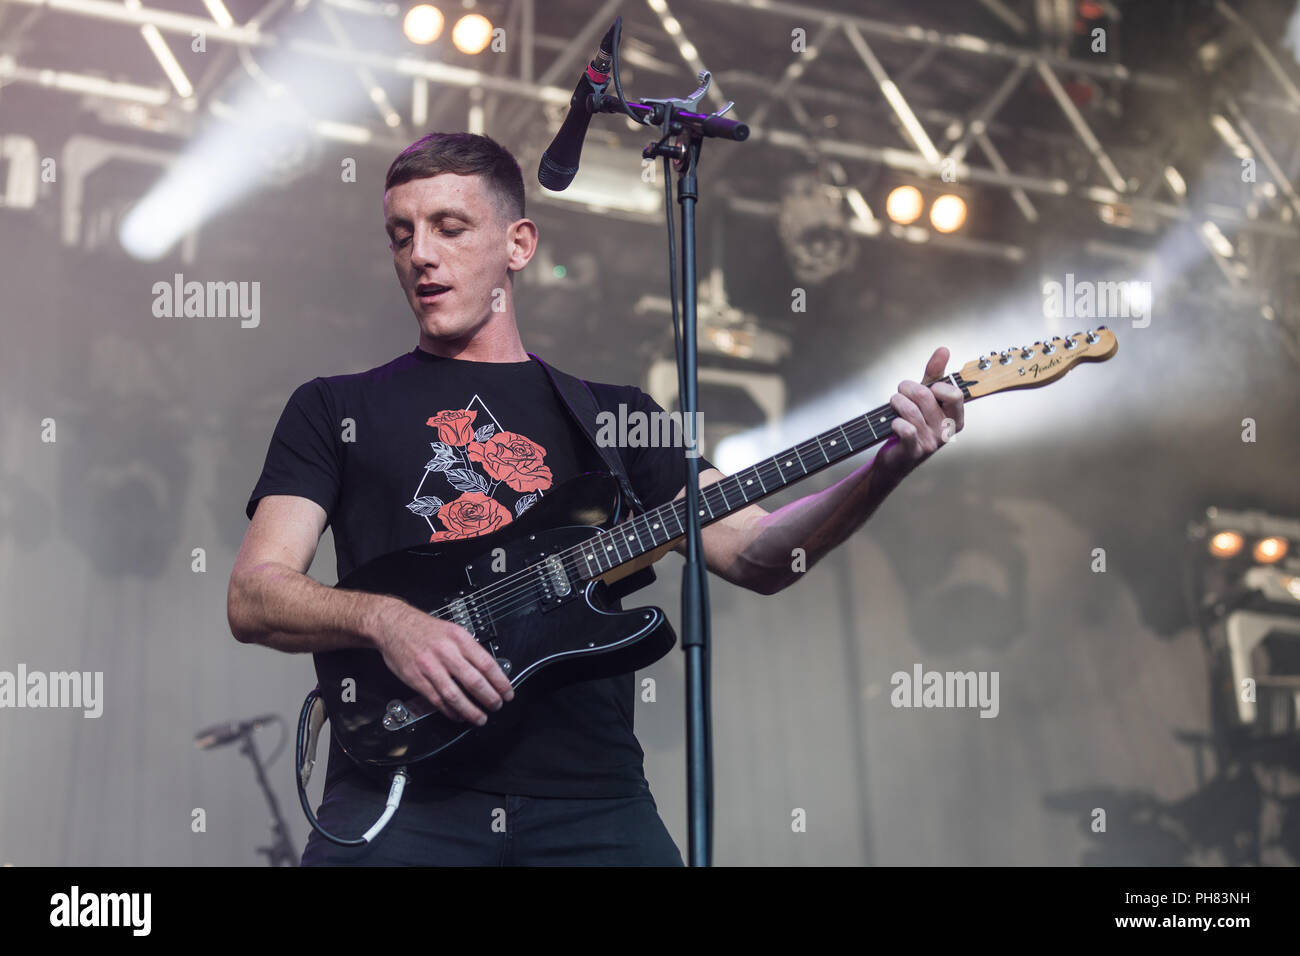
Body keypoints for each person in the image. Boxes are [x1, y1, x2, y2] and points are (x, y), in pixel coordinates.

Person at [227, 132, 965, 866]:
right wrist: (387, 621)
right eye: (401, 234)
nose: (420, 253)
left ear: (518, 245)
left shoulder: (615, 415)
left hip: (590, 801)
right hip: (401, 787)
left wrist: (883, 470)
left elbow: (758, 554)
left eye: (449, 228)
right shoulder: (333, 407)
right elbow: (255, 595)